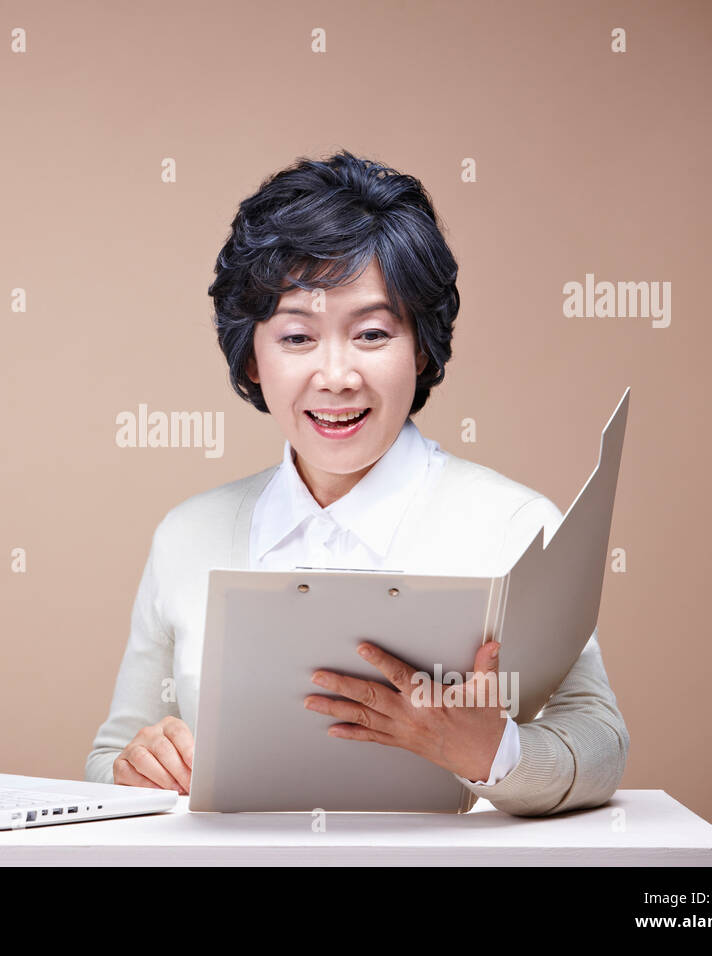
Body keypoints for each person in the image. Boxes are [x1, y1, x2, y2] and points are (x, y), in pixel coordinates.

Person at [84, 150, 628, 816]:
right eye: (296, 337)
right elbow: (111, 752)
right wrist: (135, 764)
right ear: (251, 358)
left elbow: (601, 742)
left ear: (419, 348)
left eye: (371, 333)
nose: (337, 375)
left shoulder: (517, 527)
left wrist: (491, 754)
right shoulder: (188, 534)